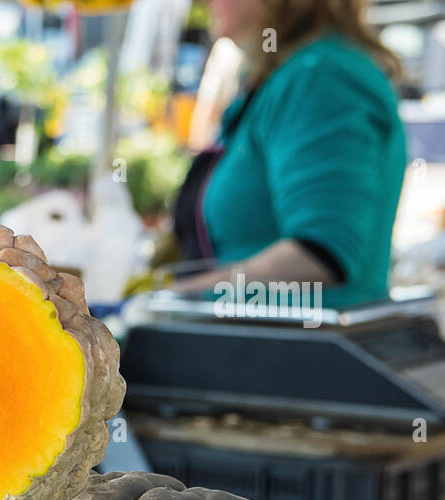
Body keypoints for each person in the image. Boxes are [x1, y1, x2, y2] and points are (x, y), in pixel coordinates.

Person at [171, 0, 405, 308]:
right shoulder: (288, 74)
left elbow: (320, 254)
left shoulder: (319, 75)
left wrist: (178, 298)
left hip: (299, 347)